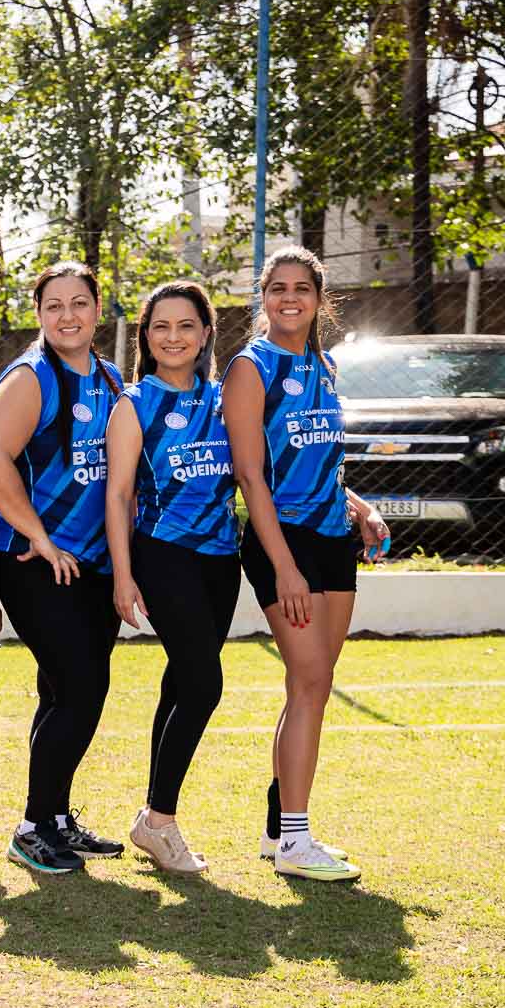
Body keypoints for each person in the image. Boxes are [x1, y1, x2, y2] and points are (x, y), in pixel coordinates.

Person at [222, 244, 388, 883]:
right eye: (278, 288)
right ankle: (295, 839)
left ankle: (278, 828)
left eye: (303, 289)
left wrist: (362, 509)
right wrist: (283, 565)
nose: (290, 298)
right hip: (279, 543)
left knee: (309, 686)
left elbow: (324, 465)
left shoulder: (324, 366)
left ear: (321, 299)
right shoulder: (250, 367)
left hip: (331, 540)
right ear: (263, 297)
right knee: (312, 679)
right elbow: (250, 475)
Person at [0, 260, 126, 875]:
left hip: (91, 564)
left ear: (97, 309)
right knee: (84, 685)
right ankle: (33, 827)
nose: (68, 315)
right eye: (54, 305)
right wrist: (40, 535)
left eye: (79, 303)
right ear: (39, 315)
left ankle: (57, 816)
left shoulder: (111, 378)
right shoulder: (32, 376)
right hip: (32, 559)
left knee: (63, 688)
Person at [104, 281, 239, 875]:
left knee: (181, 683)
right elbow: (119, 494)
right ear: (146, 337)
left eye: (187, 325)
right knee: (205, 685)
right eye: (161, 326)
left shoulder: (224, 399)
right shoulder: (136, 403)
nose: (174, 337)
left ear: (206, 333)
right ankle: (160, 821)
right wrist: (123, 576)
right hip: (163, 554)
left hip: (221, 559)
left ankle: (150, 820)